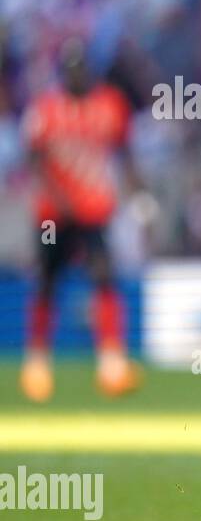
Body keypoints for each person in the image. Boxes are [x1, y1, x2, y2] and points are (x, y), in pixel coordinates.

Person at [19, 39, 140, 402]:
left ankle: (111, 363)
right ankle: (38, 362)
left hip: (92, 209)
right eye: (71, 70)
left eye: (81, 68)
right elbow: (33, 160)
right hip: (54, 213)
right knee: (47, 281)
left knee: (104, 275)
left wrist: (139, 195)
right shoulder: (46, 110)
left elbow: (126, 152)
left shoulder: (110, 105)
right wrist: (57, 196)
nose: (77, 76)